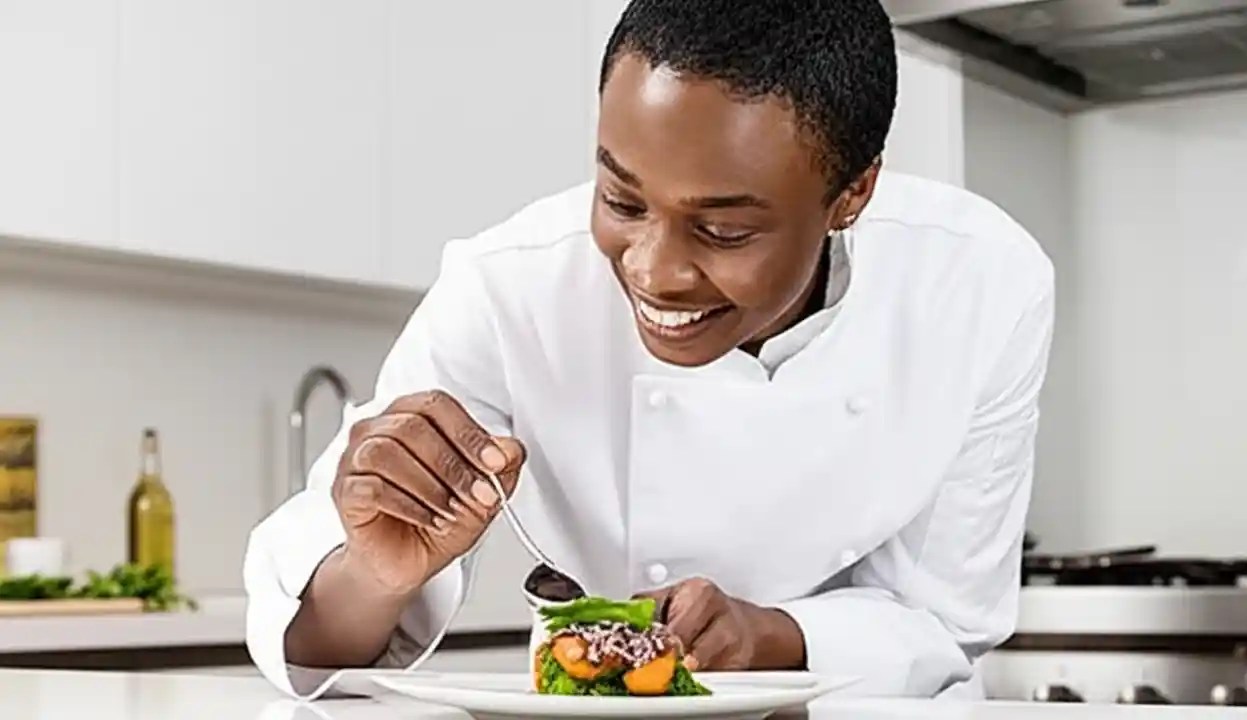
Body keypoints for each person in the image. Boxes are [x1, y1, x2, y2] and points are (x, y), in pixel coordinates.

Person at [243, 0, 1055, 702]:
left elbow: (948, 623)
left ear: (852, 193)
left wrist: (766, 635)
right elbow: (318, 644)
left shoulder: (981, 284)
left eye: (724, 230)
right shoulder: (507, 288)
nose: (654, 271)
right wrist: (375, 572)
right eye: (620, 199)